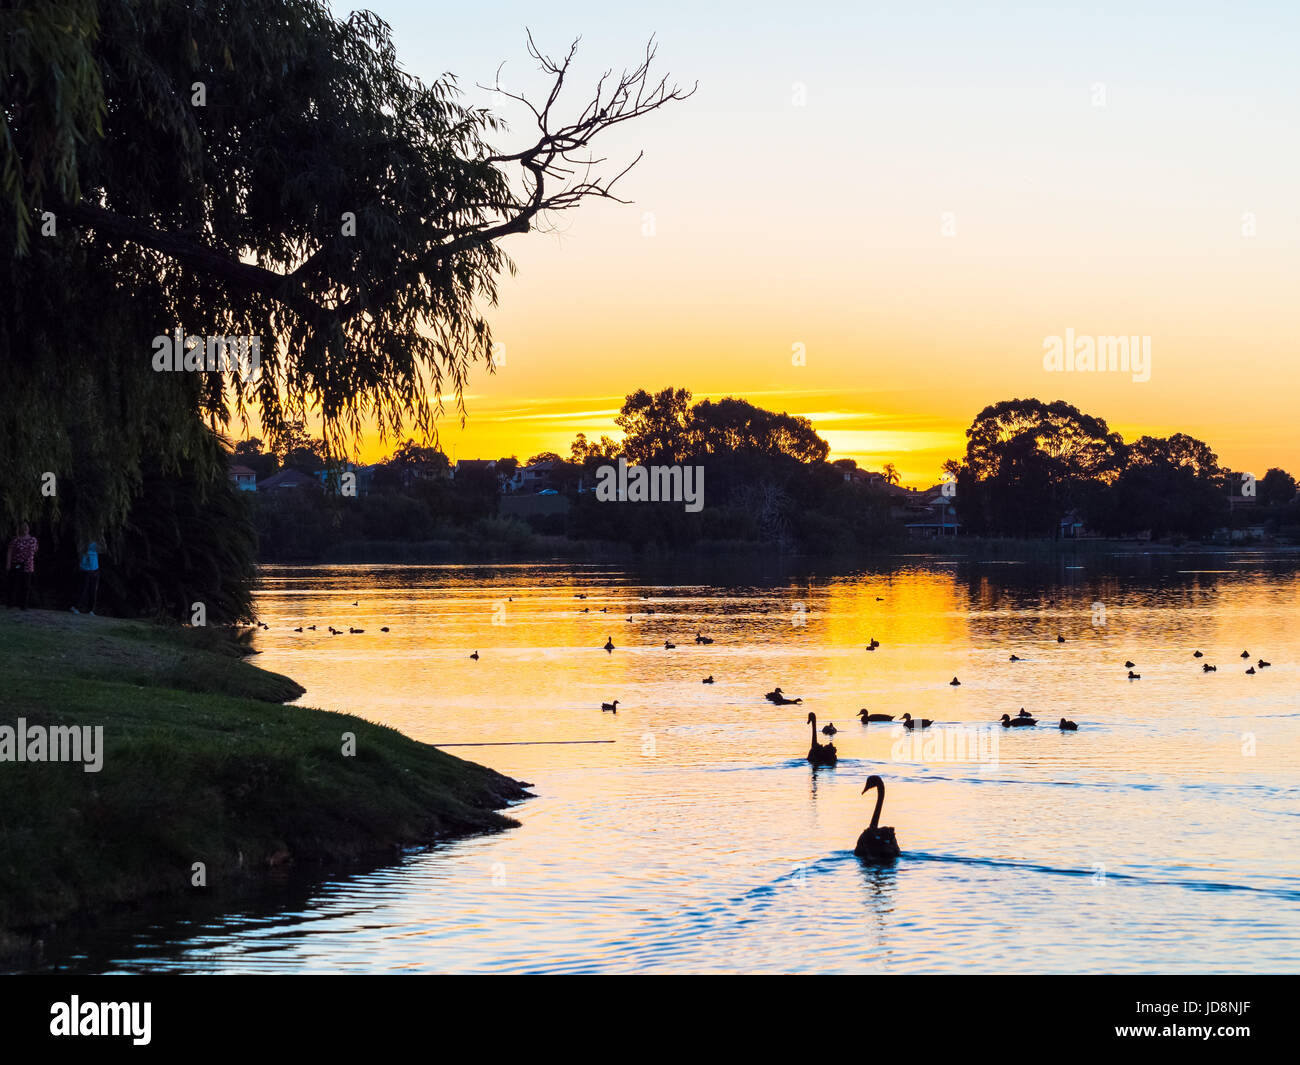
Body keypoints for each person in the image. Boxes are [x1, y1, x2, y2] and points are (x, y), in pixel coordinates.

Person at [5, 522, 38, 610]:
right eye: (23, 528)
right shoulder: (15, 540)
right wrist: (8, 564)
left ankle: (23, 606)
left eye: (26, 528)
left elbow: (35, 550)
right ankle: (10, 604)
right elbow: (9, 552)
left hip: (28, 565)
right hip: (18, 564)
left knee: (26, 586)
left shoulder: (33, 540)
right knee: (14, 583)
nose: (25, 529)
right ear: (20, 529)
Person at [71, 536, 103, 616]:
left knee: (93, 591)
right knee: (83, 590)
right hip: (85, 570)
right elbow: (81, 554)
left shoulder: (97, 540)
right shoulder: (84, 541)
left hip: (95, 570)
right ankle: (75, 607)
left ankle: (91, 610)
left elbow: (102, 549)